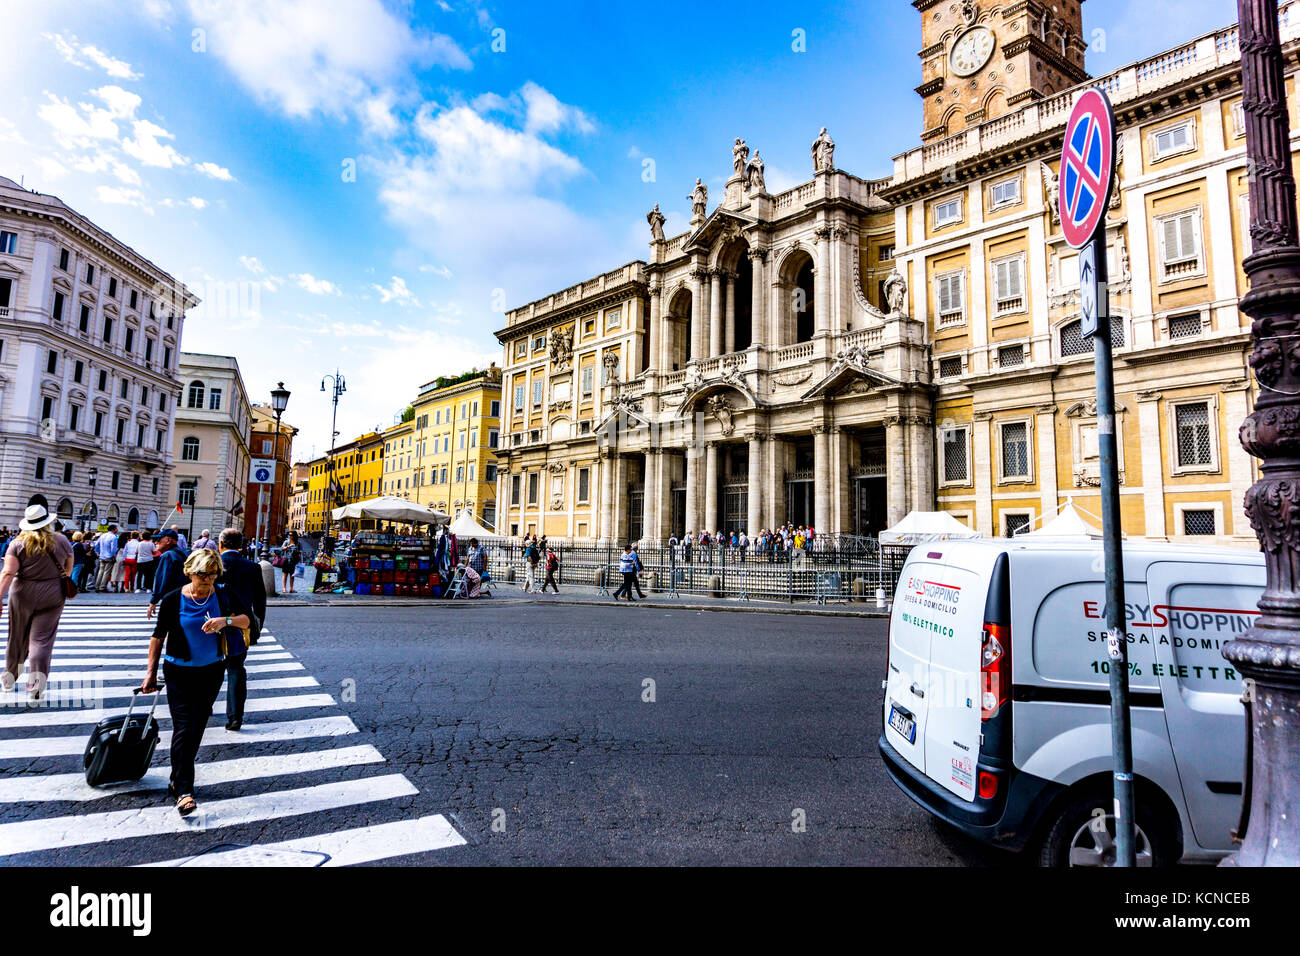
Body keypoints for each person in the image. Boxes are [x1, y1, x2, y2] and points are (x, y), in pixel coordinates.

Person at [141, 547, 253, 817]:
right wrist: (150, 673)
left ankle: (176, 777)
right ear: (190, 572)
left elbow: (246, 620)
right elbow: (158, 637)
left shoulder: (223, 595)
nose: (208, 581)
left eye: (213, 575)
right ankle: (183, 791)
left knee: (197, 726)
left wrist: (224, 621)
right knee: (184, 727)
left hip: (212, 671)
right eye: (203, 575)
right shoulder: (172, 600)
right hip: (178, 671)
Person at [0, 505, 74, 700]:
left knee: (16, 637)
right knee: (41, 641)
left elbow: (8, 572)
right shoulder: (62, 540)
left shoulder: (18, 543)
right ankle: (36, 688)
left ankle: (9, 680)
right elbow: (68, 569)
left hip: (22, 592)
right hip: (52, 593)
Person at [218, 528, 266, 731]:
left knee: (209, 669)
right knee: (236, 668)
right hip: (240, 625)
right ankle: (235, 716)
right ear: (242, 545)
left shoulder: (215, 564)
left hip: (211, 623)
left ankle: (205, 707)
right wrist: (257, 628)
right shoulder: (252, 567)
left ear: (220, 544)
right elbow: (260, 602)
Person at [147, 529, 189, 619]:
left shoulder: (168, 556)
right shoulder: (183, 553)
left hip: (171, 599)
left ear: (168, 540)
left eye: (159, 539)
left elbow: (162, 579)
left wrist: (153, 601)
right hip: (184, 598)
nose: (155, 542)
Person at [94, 526, 119, 592]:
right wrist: (113, 556)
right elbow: (113, 548)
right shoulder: (113, 537)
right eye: (116, 528)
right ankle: (102, 587)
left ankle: (97, 586)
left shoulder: (102, 535)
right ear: (113, 529)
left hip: (102, 556)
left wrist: (97, 553)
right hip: (109, 556)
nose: (117, 530)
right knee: (107, 572)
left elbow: (96, 545)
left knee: (100, 571)